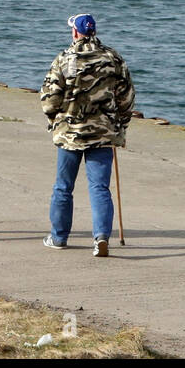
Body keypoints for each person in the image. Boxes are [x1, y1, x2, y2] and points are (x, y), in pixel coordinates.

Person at [41, 13, 135, 257]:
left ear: (75, 32)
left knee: (63, 187)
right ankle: (101, 237)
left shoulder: (64, 58)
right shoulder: (113, 58)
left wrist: (53, 120)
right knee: (100, 188)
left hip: (69, 133)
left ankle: (59, 237)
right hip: (103, 133)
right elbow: (126, 97)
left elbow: (50, 99)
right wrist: (120, 126)